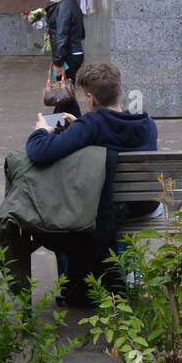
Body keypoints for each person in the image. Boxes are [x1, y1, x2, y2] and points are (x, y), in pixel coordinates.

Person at [26, 62, 159, 305]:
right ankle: (130, 274)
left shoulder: (90, 127)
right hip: (143, 205)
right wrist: (80, 125)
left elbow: (39, 152)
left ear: (90, 98)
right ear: (118, 90)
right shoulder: (147, 124)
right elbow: (111, 130)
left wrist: (41, 130)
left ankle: (82, 283)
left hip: (103, 208)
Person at [45, 0, 85, 119]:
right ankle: (76, 124)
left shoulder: (64, 7)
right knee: (65, 91)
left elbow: (61, 36)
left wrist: (58, 62)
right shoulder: (70, 4)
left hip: (67, 56)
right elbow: (81, 33)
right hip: (72, 54)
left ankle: (55, 125)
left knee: (62, 93)